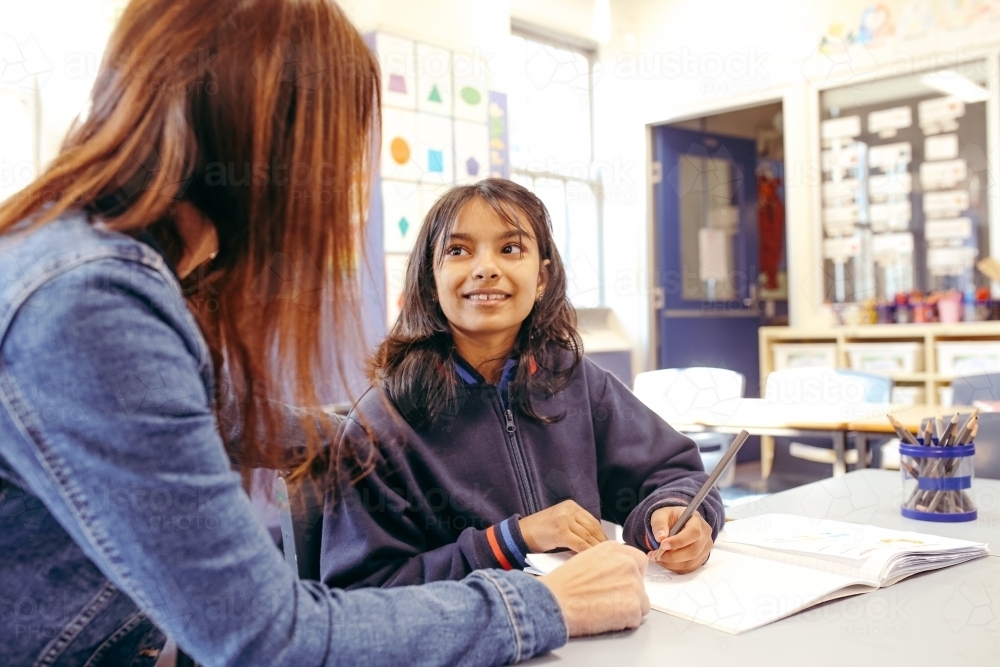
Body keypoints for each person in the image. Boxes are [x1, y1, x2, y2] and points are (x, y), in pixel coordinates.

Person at [0, 2, 651, 666]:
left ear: (544, 275)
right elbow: (266, 637)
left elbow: (217, 415)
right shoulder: (89, 304)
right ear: (270, 145)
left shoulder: (93, 270)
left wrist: (362, 433)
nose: (339, 190)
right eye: (335, 151)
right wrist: (547, 601)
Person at [320, 179, 724, 591]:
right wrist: (512, 540)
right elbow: (363, 596)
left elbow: (672, 470)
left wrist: (674, 513)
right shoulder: (384, 422)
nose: (486, 268)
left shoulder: (574, 380)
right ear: (430, 277)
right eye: (458, 250)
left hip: (589, 634)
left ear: (542, 278)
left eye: (510, 249)